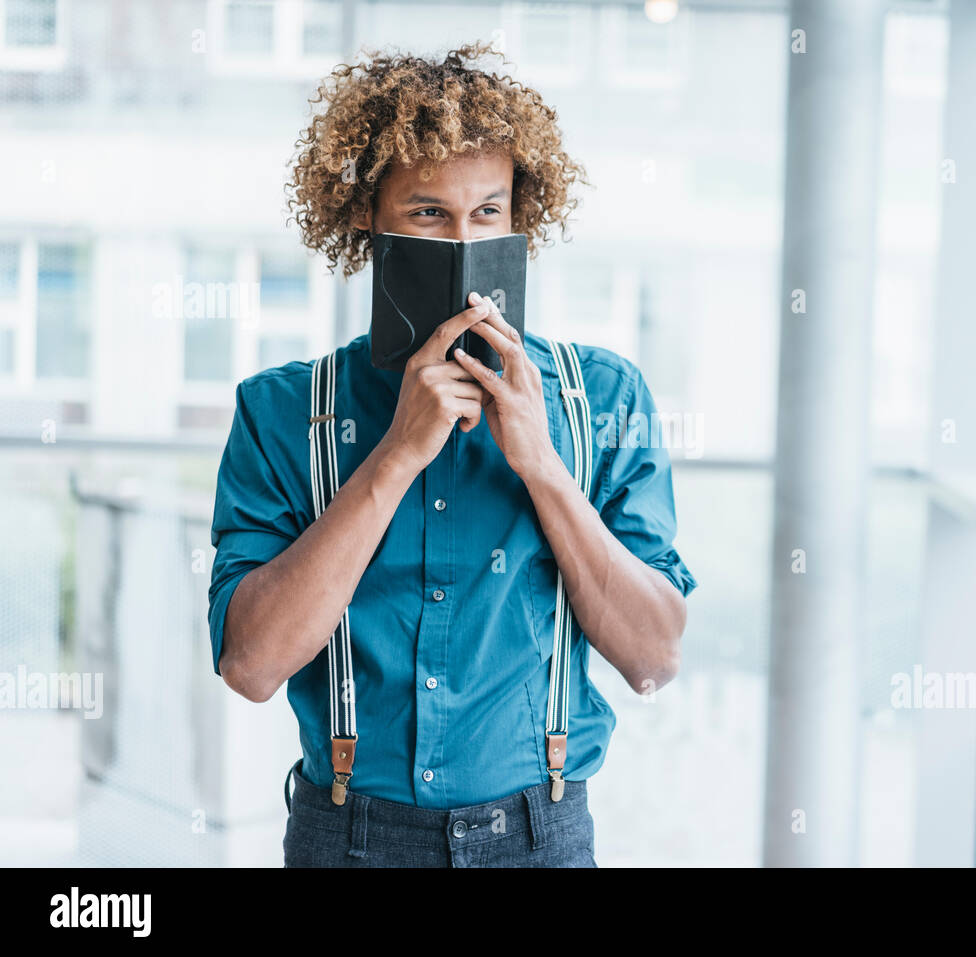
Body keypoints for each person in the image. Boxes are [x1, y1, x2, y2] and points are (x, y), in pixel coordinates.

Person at [206, 43, 696, 868]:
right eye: (428, 212)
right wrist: (396, 455)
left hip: (539, 837)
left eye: (488, 214)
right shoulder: (282, 412)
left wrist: (542, 464)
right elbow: (250, 666)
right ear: (372, 220)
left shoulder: (604, 398)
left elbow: (654, 657)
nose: (463, 241)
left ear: (521, 221)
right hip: (348, 837)